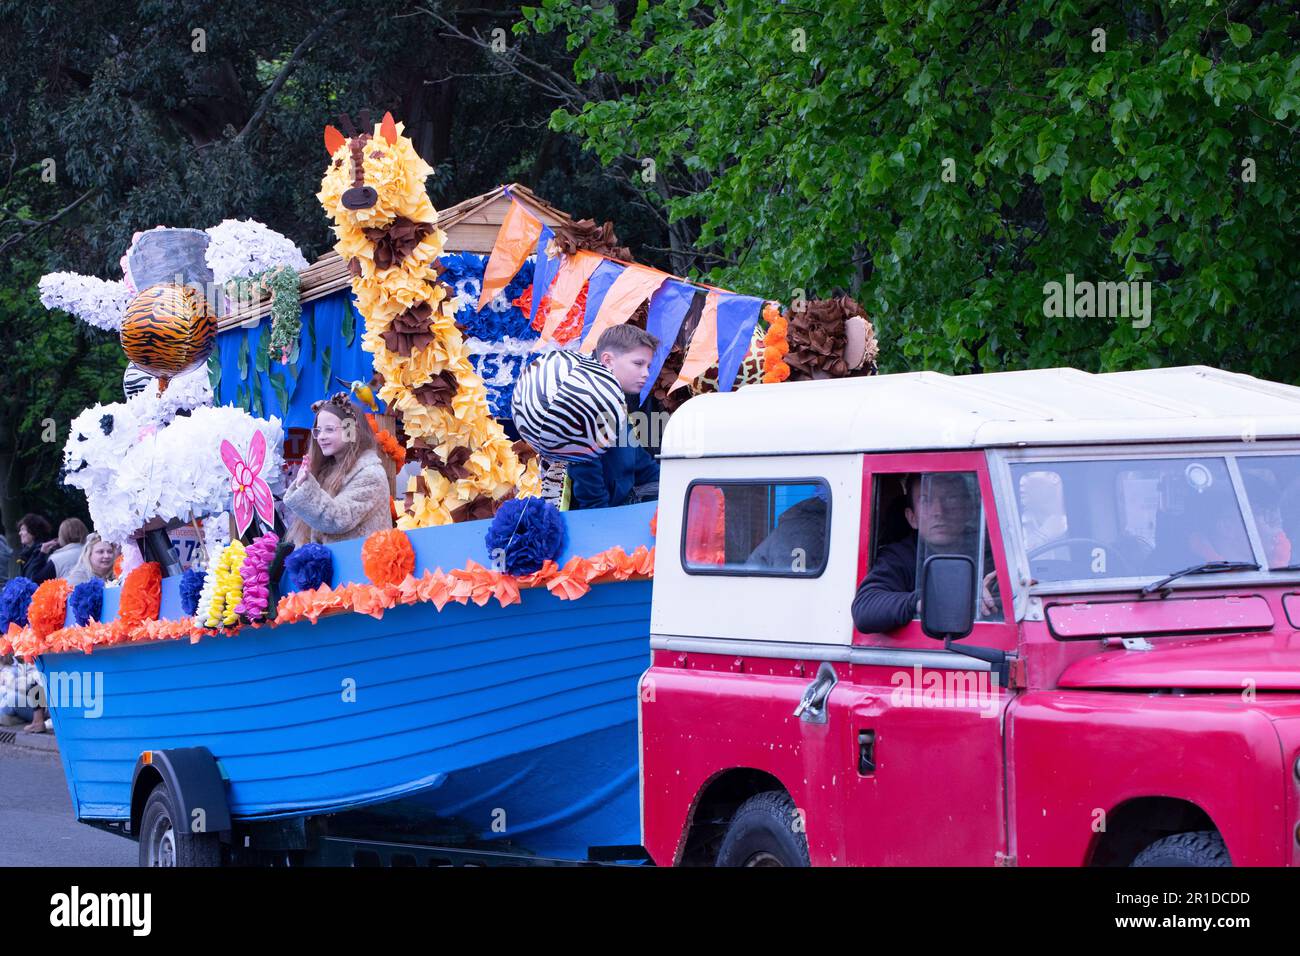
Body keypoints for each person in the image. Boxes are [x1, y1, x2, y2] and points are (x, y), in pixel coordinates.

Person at [852, 473, 999, 634]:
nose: (939, 511)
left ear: (968, 510)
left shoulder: (990, 551)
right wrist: (923, 600)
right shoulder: (899, 557)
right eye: (925, 500)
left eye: (951, 499)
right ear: (912, 517)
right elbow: (864, 608)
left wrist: (991, 597)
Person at [568, 325, 661, 510]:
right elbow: (591, 495)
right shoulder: (588, 409)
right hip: (604, 518)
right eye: (638, 363)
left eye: (648, 366)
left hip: (624, 504)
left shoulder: (617, 405)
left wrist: (678, 484)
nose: (646, 373)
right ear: (608, 360)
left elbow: (643, 465)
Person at [283, 393, 394, 545]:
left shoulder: (371, 474)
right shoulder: (326, 471)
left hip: (360, 566)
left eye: (329, 429)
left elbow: (337, 519)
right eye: (318, 430)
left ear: (350, 430)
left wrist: (307, 488)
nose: (321, 436)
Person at [14, 514, 57, 583]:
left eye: (23, 529)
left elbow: (34, 578)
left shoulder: (46, 551)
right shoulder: (26, 553)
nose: (20, 533)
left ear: (33, 531)